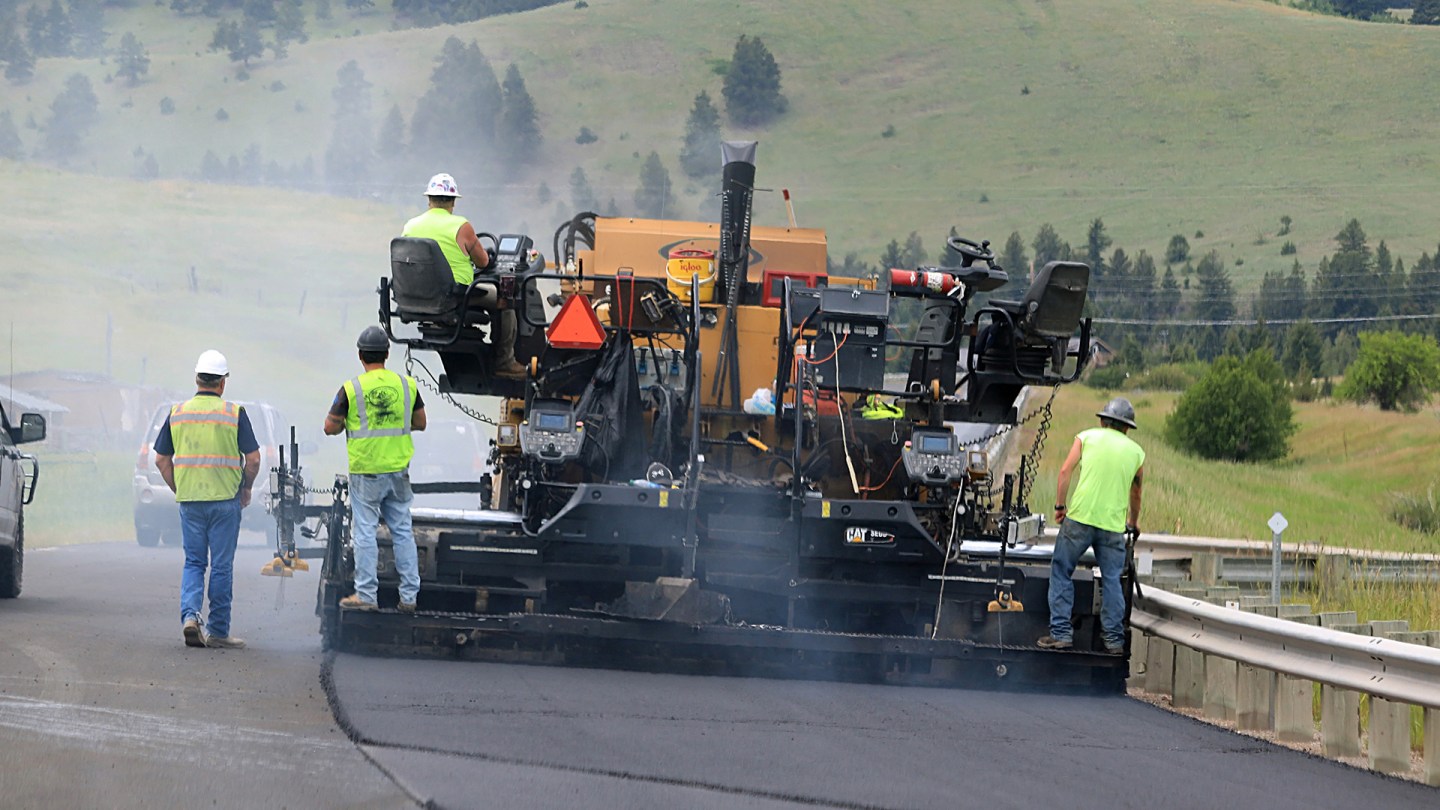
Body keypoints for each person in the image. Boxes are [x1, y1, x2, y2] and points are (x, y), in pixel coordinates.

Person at [153, 350, 261, 650]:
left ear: (196, 380)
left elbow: (161, 459)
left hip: (191, 502)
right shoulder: (234, 413)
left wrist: (180, 487)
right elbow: (253, 459)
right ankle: (218, 631)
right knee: (221, 566)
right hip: (225, 501)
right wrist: (246, 488)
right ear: (222, 383)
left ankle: (190, 617)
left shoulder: (177, 413)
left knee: (194, 562)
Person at [323, 326, 426, 612]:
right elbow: (421, 422)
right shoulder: (406, 385)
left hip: (366, 472)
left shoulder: (351, 389)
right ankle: (409, 597)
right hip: (398, 470)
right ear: (387, 354)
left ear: (360, 355)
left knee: (365, 533)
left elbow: (329, 426)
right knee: (403, 531)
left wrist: (346, 424)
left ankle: (367, 596)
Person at [1038, 396, 1145, 655]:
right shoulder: (1136, 452)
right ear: (1127, 427)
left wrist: (1060, 506)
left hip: (1080, 519)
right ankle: (1114, 641)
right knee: (1112, 580)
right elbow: (1136, 492)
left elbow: (1065, 471)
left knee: (1062, 570)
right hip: (1112, 527)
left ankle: (1061, 634)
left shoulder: (1086, 437)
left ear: (1103, 420)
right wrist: (1133, 522)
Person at [402, 172, 524, 378]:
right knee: (505, 298)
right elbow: (483, 262)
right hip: (454, 296)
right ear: (452, 202)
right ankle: (504, 361)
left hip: (417, 296)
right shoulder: (461, 226)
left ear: (429, 200)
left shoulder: (410, 226)